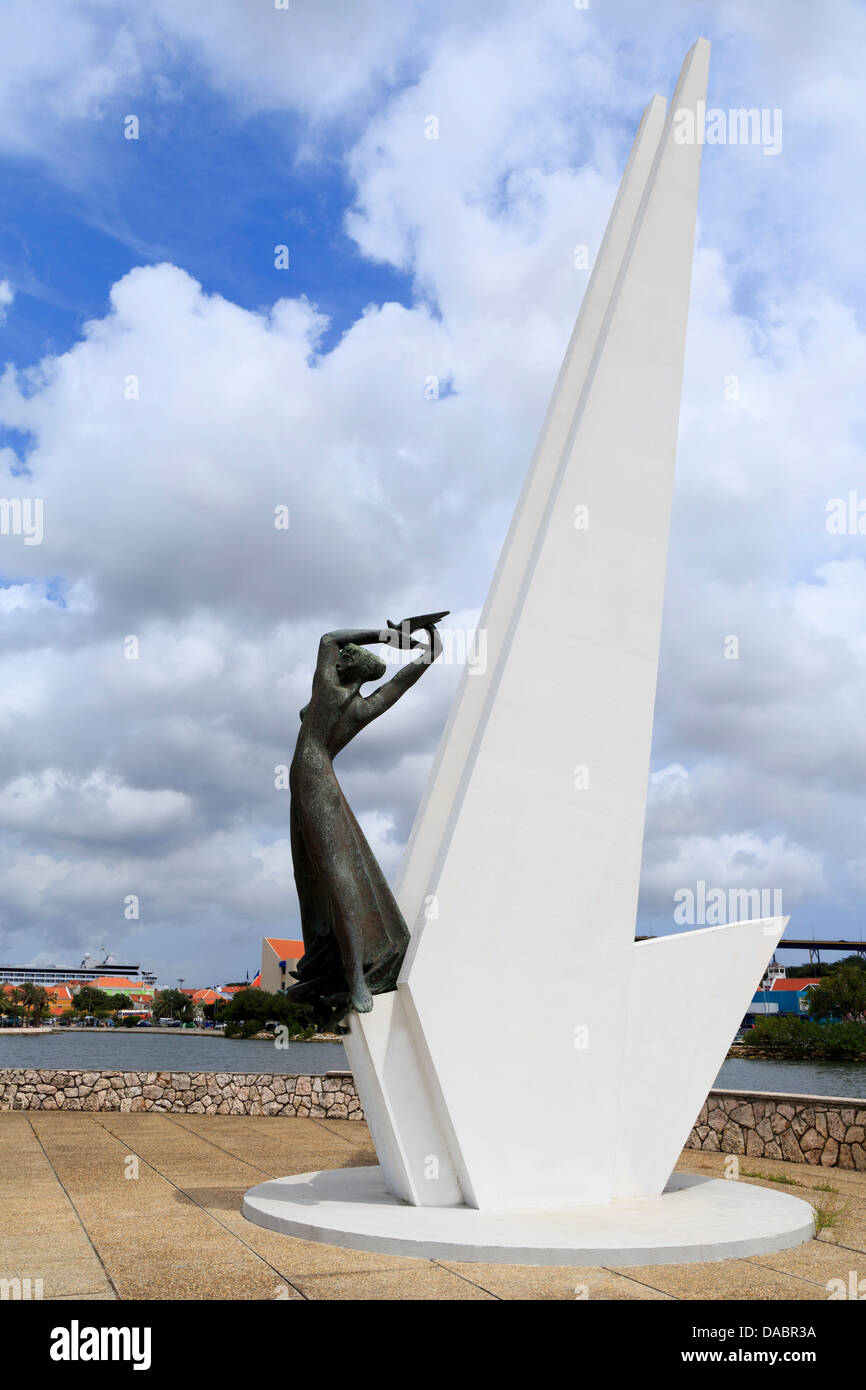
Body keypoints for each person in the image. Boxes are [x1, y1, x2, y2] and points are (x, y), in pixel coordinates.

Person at [286, 615, 446, 1029]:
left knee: (339, 882)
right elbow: (396, 686)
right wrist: (425, 657)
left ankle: (354, 976)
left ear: (345, 668)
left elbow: (329, 637)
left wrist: (390, 636)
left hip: (316, 788)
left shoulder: (330, 692)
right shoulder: (359, 705)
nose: (334, 661)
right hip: (312, 788)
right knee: (319, 883)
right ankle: (331, 973)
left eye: (341, 661)